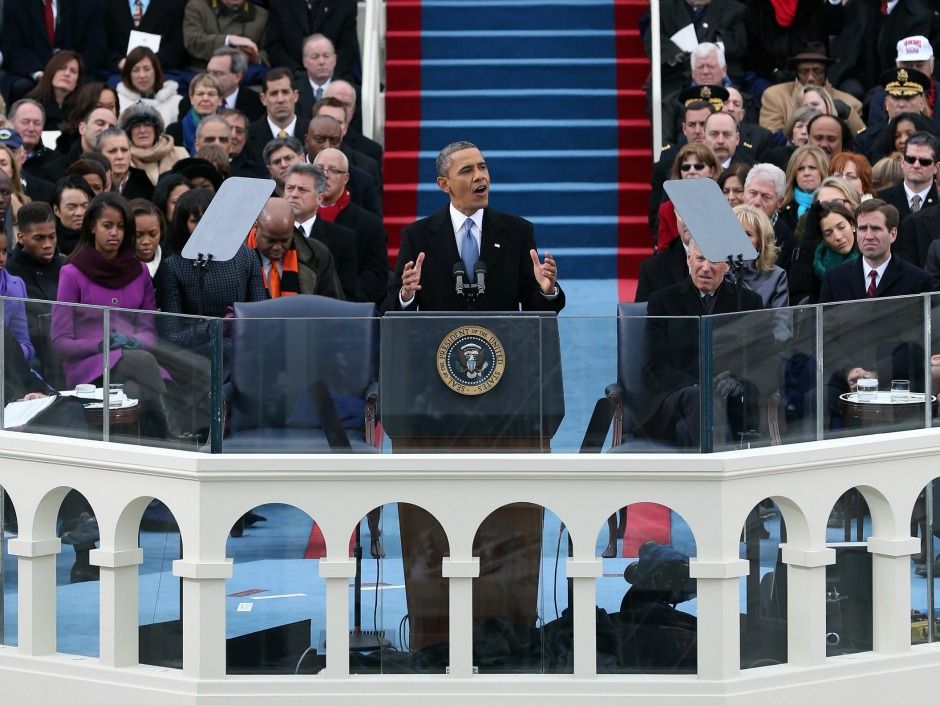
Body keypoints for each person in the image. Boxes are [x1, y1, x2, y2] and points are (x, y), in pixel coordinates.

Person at [383, 141, 565, 313]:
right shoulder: (417, 236)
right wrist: (406, 295)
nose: (480, 176)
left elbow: (534, 310)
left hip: (502, 343)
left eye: (482, 167)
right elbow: (389, 307)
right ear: (444, 184)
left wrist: (547, 292)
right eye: (467, 170)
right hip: (438, 343)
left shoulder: (517, 231)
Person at [51, 192, 172, 440]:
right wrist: (99, 345)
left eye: (121, 226)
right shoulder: (72, 273)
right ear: (93, 227)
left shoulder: (139, 272)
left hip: (134, 368)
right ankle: (171, 434)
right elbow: (60, 343)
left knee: (134, 389)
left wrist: (136, 342)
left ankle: (140, 456)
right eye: (108, 226)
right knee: (143, 362)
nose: (115, 233)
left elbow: (149, 331)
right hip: (89, 368)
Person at [642, 238, 763, 448]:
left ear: (727, 265)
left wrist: (738, 380)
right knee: (700, 398)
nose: (705, 267)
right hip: (676, 398)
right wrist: (699, 386)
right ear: (689, 259)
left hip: (729, 402)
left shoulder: (749, 302)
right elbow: (654, 366)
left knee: (687, 429)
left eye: (714, 260)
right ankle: (716, 468)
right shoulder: (663, 301)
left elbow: (761, 359)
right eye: (699, 259)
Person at [313, 148, 389, 304]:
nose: (325, 174)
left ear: (346, 178)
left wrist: (345, 300)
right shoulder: (296, 216)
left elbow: (376, 275)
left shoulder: (369, 224)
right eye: (319, 169)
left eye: (333, 170)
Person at [820, 199, 932, 302]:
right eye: (863, 229)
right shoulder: (834, 278)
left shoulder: (918, 280)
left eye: (876, 229)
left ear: (893, 234)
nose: (868, 236)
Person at [282, 162, 359, 298]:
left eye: (302, 190)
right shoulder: (270, 235)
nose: (293, 195)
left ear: (319, 198)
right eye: (290, 188)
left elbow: (346, 292)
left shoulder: (343, 238)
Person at [246, 197, 343, 299]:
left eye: (284, 240)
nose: (277, 247)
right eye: (271, 240)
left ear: (292, 229)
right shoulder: (235, 258)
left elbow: (331, 306)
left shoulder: (319, 255)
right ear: (256, 228)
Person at [758, 42, 864, 134]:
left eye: (817, 71)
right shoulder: (774, 96)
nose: (811, 78)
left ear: (826, 72)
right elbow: (771, 135)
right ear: (797, 72)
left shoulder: (851, 103)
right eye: (804, 71)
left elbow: (863, 138)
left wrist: (849, 115)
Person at [265, 0, 362, 82]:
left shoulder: (345, 3)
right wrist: (296, 73)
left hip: (334, 78)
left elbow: (348, 48)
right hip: (292, 78)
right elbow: (275, 47)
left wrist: (326, 75)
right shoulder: (279, 2)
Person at [303, 113, 380, 214]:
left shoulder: (362, 181)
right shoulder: (289, 175)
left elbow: (372, 224)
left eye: (334, 141)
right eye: (320, 140)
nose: (327, 146)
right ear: (307, 141)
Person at [789, 200, 859, 305]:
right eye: (828, 233)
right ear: (823, 238)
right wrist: (808, 238)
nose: (838, 237)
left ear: (852, 225)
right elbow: (797, 288)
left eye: (841, 227)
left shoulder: (870, 255)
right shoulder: (816, 263)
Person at [656, 142, 721, 251]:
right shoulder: (667, 210)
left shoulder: (724, 204)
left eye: (698, 166)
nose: (691, 171)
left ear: (712, 171)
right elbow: (664, 253)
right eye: (686, 167)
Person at [245, 69, 310, 170]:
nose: (280, 99)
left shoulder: (311, 132)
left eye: (285, 92)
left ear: (295, 96)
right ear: (263, 99)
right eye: (274, 93)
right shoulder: (248, 135)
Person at [182, 0, 269, 73]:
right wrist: (228, 40)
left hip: (245, 75)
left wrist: (255, 58)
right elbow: (192, 41)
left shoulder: (261, 15)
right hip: (203, 73)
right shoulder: (197, 7)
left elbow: (268, 52)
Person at [876, 131, 939, 225]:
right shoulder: (880, 199)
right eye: (910, 159)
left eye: (924, 161)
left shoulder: (938, 199)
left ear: (936, 167)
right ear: (902, 162)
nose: (916, 165)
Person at [119, 102, 189, 186]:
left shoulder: (179, 154)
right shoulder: (122, 157)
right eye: (136, 126)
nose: (142, 130)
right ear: (128, 131)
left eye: (147, 125)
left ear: (156, 129)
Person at [731, 204, 788, 308]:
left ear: (761, 242)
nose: (739, 238)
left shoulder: (776, 277)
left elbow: (781, 322)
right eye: (735, 232)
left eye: (747, 234)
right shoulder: (716, 272)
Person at [743, 162, 796, 270]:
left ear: (780, 202)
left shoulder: (790, 244)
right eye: (753, 193)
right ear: (744, 193)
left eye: (766, 197)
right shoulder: (726, 227)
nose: (757, 202)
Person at [635, 212, 694, 303]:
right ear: (675, 213)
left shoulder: (723, 262)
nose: (689, 220)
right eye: (682, 212)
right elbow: (643, 315)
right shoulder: (652, 270)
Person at [115, 47, 182, 127]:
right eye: (136, 70)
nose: (142, 75)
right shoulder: (117, 102)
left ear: (156, 71)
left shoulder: (177, 102)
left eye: (147, 69)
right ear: (128, 74)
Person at [55, 83, 120, 162]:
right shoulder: (65, 147)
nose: (105, 111)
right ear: (85, 108)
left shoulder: (123, 141)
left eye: (111, 107)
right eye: (99, 106)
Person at [166, 73, 224, 156]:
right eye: (200, 94)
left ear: (220, 100)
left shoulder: (230, 129)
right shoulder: (174, 130)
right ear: (191, 99)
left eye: (211, 94)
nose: (205, 99)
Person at [24, 51, 83, 131]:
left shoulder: (82, 108)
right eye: (62, 68)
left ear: (77, 81)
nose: (67, 74)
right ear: (51, 72)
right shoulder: (31, 103)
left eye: (73, 71)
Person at [778, 145, 828, 232]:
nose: (806, 173)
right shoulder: (781, 209)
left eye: (812, 168)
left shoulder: (832, 206)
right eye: (800, 169)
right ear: (794, 174)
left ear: (823, 171)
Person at [96, 127, 154, 201]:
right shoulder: (90, 181)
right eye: (112, 151)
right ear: (99, 155)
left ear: (130, 154)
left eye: (124, 150)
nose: (120, 156)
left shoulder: (145, 184)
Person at [51, 176, 94, 256]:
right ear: (57, 210)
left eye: (85, 206)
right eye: (71, 207)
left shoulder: (99, 239)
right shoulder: (50, 244)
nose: (79, 213)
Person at [130, 199, 165, 279]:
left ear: (161, 231)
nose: (146, 242)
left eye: (153, 234)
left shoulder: (172, 263)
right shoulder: (118, 265)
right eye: (138, 235)